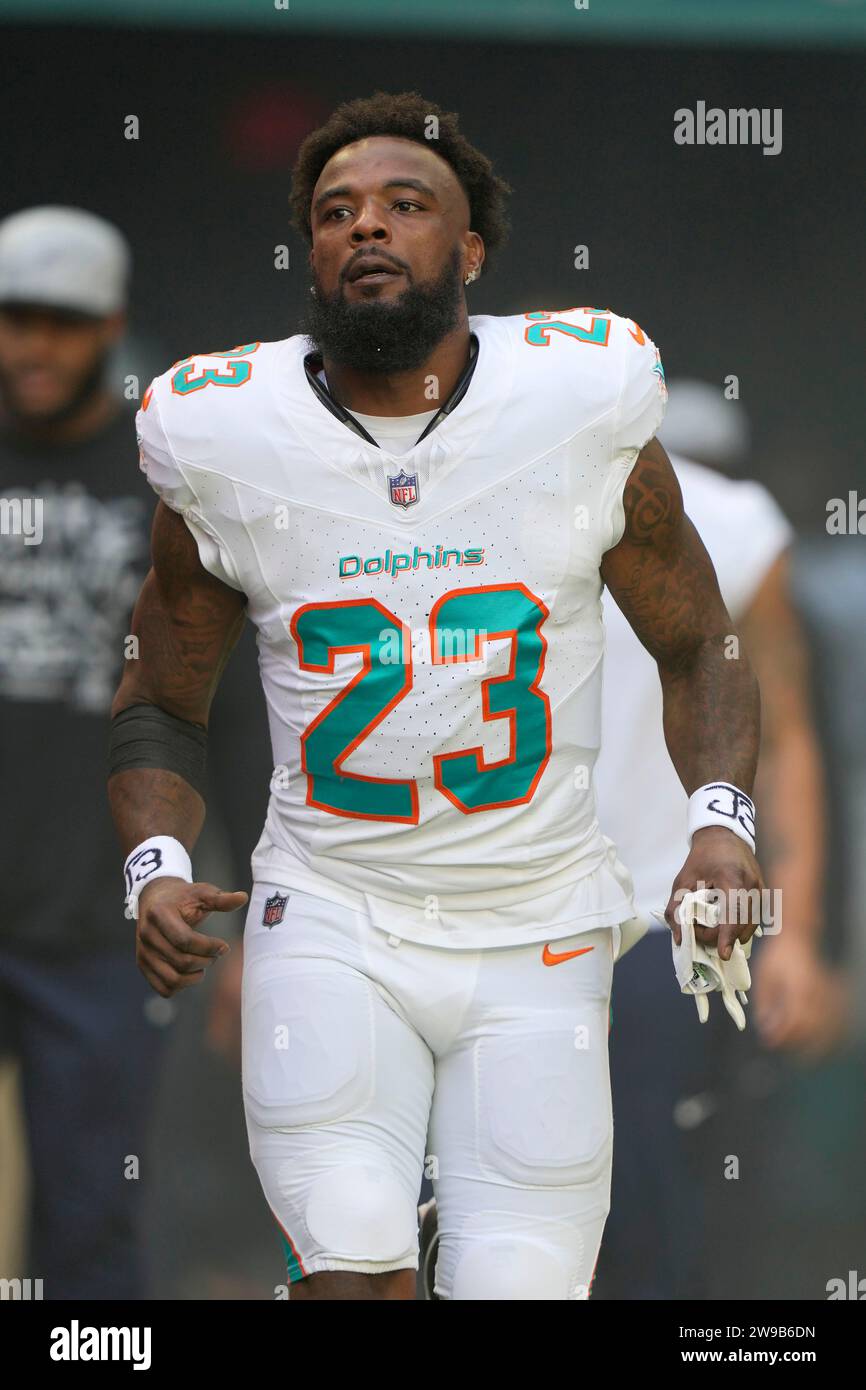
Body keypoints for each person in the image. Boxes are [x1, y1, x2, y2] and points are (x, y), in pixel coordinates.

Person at [108, 90, 763, 1302]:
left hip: (542, 927)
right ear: (307, 249)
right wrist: (154, 857)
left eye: (405, 207)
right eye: (335, 211)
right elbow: (161, 692)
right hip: (334, 912)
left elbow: (698, 645)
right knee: (352, 1272)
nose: (366, 228)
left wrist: (720, 824)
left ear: (467, 251)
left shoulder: (578, 402)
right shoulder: (224, 436)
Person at [591, 381, 850, 1300]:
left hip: (609, 916)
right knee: (671, 1186)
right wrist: (799, 938)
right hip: (696, 920)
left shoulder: (725, 524)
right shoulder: (741, 522)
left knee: (615, 1193)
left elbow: (783, 742)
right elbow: (788, 743)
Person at [0, 205, 167, 1298]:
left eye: (61, 325)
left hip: (95, 917)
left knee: (89, 1213)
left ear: (109, 325)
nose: (33, 349)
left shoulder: (166, 474)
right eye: (14, 321)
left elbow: (222, 699)